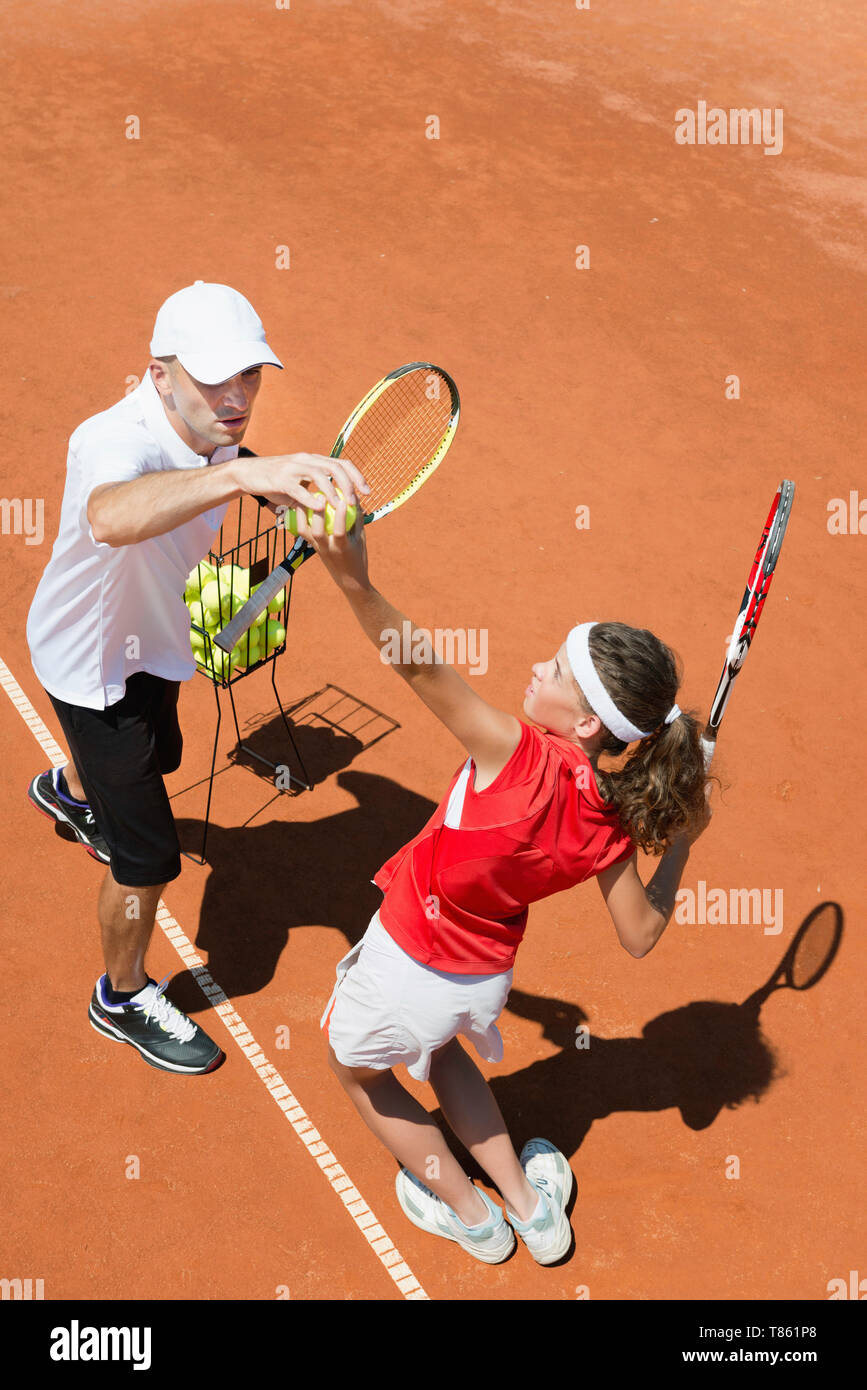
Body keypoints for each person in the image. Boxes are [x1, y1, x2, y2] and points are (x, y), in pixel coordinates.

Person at [298, 498, 711, 1266]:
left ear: (587, 723)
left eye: (554, 671)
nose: (534, 668)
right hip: (479, 980)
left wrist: (351, 578)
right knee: (444, 1052)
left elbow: (415, 660)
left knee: (357, 1075)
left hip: (405, 964)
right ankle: (530, 1209)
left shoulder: (514, 752)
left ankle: (470, 1217)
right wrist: (682, 844)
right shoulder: (611, 818)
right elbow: (640, 935)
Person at [26, 280, 369, 1075]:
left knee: (166, 761)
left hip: (151, 645)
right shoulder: (113, 440)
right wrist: (243, 477)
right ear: (158, 374)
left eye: (249, 375)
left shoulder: (214, 431)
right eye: (215, 377)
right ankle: (120, 996)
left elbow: (232, 468)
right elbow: (112, 515)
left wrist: (284, 492)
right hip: (95, 669)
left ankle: (73, 793)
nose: (237, 394)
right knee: (147, 860)